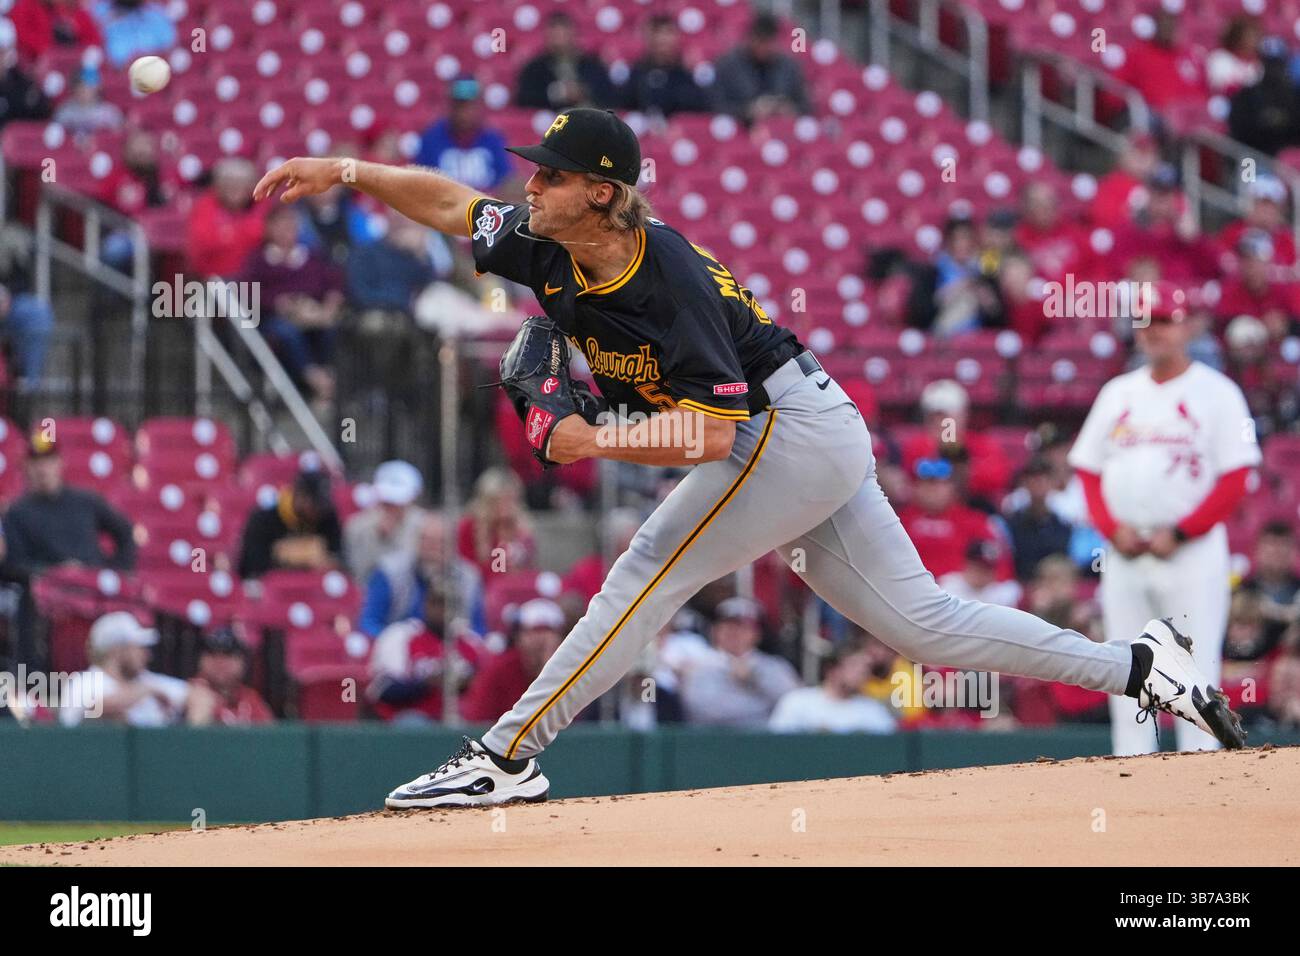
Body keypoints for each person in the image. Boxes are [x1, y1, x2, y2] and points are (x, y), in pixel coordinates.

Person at [254, 106, 1247, 811]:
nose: (530, 181)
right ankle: (1141, 665)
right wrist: (347, 172)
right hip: (804, 430)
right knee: (928, 625)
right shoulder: (548, 242)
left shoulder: (663, 278)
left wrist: (591, 437)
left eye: (549, 172)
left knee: (645, 568)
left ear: (602, 191)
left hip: (786, 428)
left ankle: (507, 752)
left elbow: (717, 436)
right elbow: (445, 203)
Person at [1069, 283, 1261, 756]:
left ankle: (1202, 773)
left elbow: (1235, 477)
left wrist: (1181, 531)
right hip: (1126, 553)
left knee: (1195, 669)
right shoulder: (1118, 393)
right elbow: (1089, 471)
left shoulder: (1218, 393)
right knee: (1125, 664)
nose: (1154, 331)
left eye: (1164, 320)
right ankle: (1131, 768)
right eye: (1146, 322)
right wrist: (1112, 529)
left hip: (1189, 553)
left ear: (1187, 327)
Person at [237, 202, 344, 404]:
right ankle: (319, 382)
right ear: (269, 228)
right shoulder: (258, 261)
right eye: (281, 225)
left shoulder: (313, 257)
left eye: (291, 225)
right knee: (286, 332)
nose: (287, 231)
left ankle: (321, 378)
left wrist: (329, 307)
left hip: (313, 313)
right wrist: (280, 304)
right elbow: (248, 292)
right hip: (273, 319)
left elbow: (334, 284)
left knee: (330, 329)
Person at [2, 431, 135, 574]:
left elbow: (125, 532)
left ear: (60, 462)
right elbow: (16, 564)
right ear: (26, 466)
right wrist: (55, 572)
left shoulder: (86, 501)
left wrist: (114, 571)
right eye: (36, 462)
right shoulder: (16, 513)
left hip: (92, 587)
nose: (42, 469)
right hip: (46, 591)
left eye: (49, 460)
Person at [60, 611, 204, 727]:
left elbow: (201, 697)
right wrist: (146, 691)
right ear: (117, 650)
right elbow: (96, 709)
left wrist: (190, 738)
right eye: (138, 647)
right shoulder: (84, 682)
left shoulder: (147, 679)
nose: (146, 655)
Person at [368, 581, 484, 723]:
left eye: (449, 605)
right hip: (414, 721)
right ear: (426, 604)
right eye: (437, 603)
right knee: (413, 722)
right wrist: (428, 683)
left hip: (460, 721)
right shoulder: (401, 635)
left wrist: (466, 683)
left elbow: (486, 690)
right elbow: (383, 691)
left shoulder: (471, 642)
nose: (443, 611)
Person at [359, 510, 483, 639]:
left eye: (440, 542)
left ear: (453, 545)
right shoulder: (390, 573)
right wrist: (395, 642)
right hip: (399, 649)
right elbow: (369, 623)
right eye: (426, 540)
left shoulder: (468, 579)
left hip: (452, 650)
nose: (432, 549)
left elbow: (479, 629)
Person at [680, 596, 799, 728]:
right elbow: (706, 711)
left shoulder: (773, 665)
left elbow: (794, 704)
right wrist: (761, 705)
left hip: (765, 740)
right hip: (712, 740)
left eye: (742, 628)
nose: (734, 634)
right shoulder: (700, 664)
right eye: (728, 627)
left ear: (756, 634)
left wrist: (754, 678)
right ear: (715, 631)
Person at [459, 598, 564, 722]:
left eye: (547, 632)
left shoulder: (568, 670)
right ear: (519, 636)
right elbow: (477, 720)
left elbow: (572, 723)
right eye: (532, 632)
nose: (539, 640)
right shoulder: (499, 669)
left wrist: (549, 672)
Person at [769, 638, 897, 734]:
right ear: (832, 670)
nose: (861, 674)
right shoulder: (797, 701)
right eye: (854, 666)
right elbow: (777, 745)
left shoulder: (873, 710)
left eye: (866, 669)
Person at [236, 468, 342, 579]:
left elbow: (337, 555)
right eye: (315, 504)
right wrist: (296, 560)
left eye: (323, 505)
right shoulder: (264, 517)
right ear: (300, 496)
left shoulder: (328, 516)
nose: (319, 510)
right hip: (276, 588)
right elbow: (252, 567)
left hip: (314, 589)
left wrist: (331, 562)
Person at [415, 77, 513, 193]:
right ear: (451, 107)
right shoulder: (431, 139)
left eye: (470, 106)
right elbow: (420, 183)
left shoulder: (493, 139)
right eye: (459, 106)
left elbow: (506, 181)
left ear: (479, 107)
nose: (464, 113)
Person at [712, 13, 810, 122]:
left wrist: (790, 109)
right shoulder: (728, 66)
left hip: (781, 129)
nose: (764, 47)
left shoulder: (789, 66)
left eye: (769, 42)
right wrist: (747, 112)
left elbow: (806, 106)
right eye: (760, 41)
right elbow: (715, 106)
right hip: (741, 131)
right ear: (750, 38)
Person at [344, 459, 426, 585]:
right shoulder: (357, 526)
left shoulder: (426, 526)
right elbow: (359, 571)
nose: (391, 506)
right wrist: (378, 537)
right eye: (387, 501)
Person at [186, 157, 269, 279]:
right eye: (228, 183)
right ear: (218, 186)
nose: (234, 188)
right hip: (213, 278)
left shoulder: (263, 205)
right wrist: (245, 234)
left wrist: (228, 234)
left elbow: (270, 238)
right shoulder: (204, 206)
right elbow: (203, 244)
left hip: (258, 279)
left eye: (240, 183)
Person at [514, 11, 614, 111]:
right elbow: (523, 100)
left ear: (574, 35)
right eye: (555, 35)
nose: (560, 41)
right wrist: (555, 94)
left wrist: (583, 91)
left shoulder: (593, 65)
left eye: (564, 34)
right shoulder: (534, 68)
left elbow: (610, 97)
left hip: (589, 119)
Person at [619, 14, 708, 118]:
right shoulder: (636, 75)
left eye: (667, 33)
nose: (662, 39)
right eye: (657, 33)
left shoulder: (686, 76)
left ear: (677, 37)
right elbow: (623, 108)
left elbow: (698, 110)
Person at [455, 466, 535, 578]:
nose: (506, 507)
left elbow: (527, 570)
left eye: (510, 500)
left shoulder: (521, 527)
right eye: (499, 501)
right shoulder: (469, 526)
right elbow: (467, 570)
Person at [1003, 456, 1074, 581]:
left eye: (1043, 479)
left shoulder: (1064, 525)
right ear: (1024, 483)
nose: (1038, 484)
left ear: (1052, 483)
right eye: (1033, 479)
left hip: (1054, 587)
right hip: (1020, 587)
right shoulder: (1012, 523)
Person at [187, 625, 273, 725]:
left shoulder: (251, 699)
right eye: (212, 654)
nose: (220, 662)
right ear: (200, 660)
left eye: (228, 655)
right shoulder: (184, 693)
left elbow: (272, 736)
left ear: (242, 662)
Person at [11, 0, 103, 64]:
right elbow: (21, 35)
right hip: (34, 60)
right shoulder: (25, 6)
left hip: (66, 62)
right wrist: (46, 49)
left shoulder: (68, 10)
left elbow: (95, 40)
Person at [91, 0, 174, 67]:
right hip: (121, 78)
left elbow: (168, 44)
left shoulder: (156, 13)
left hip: (153, 72)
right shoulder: (99, 12)